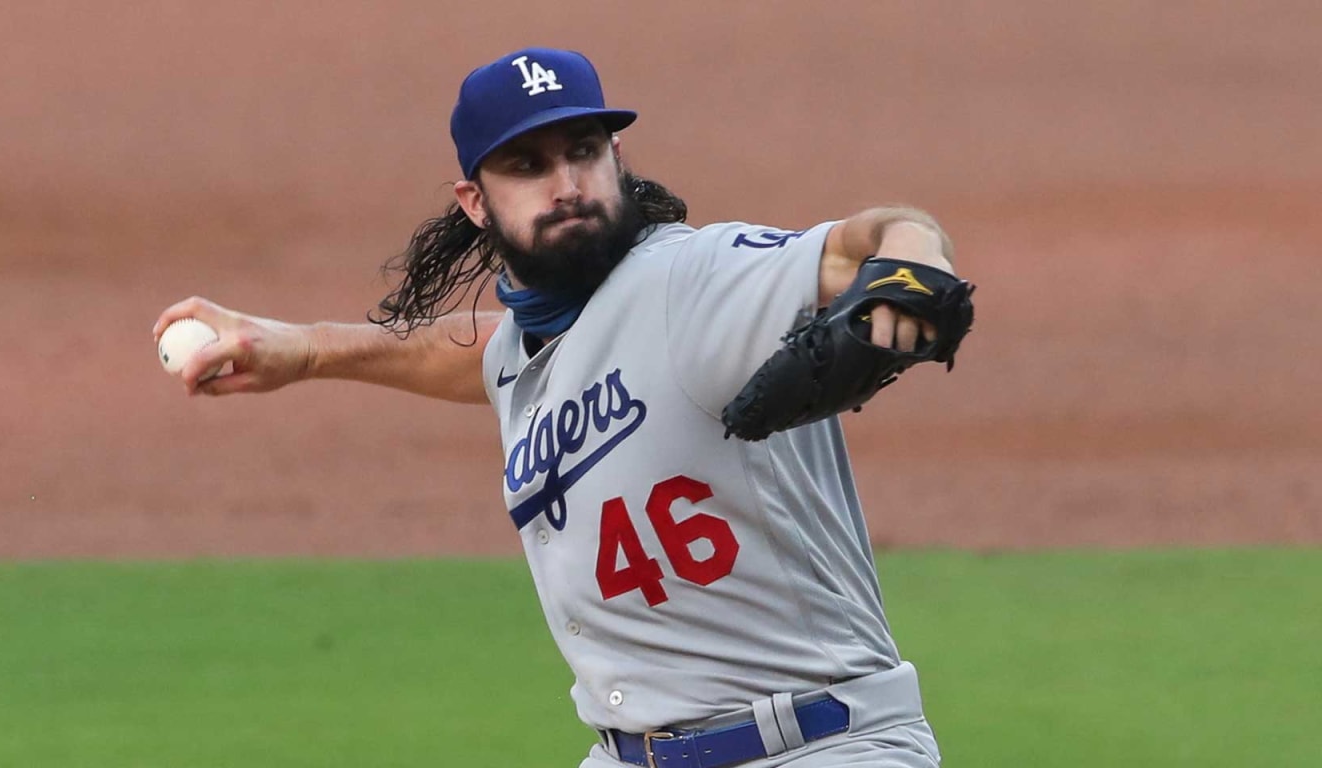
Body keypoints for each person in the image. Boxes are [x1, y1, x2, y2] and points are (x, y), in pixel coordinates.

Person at [154, 47, 962, 768]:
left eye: (584, 152)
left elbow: (876, 236)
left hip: (821, 746)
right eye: (528, 165)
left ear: (617, 158)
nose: (568, 184)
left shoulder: (693, 279)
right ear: (475, 201)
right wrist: (306, 349)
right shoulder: (526, 348)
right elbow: (481, 354)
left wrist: (916, 263)